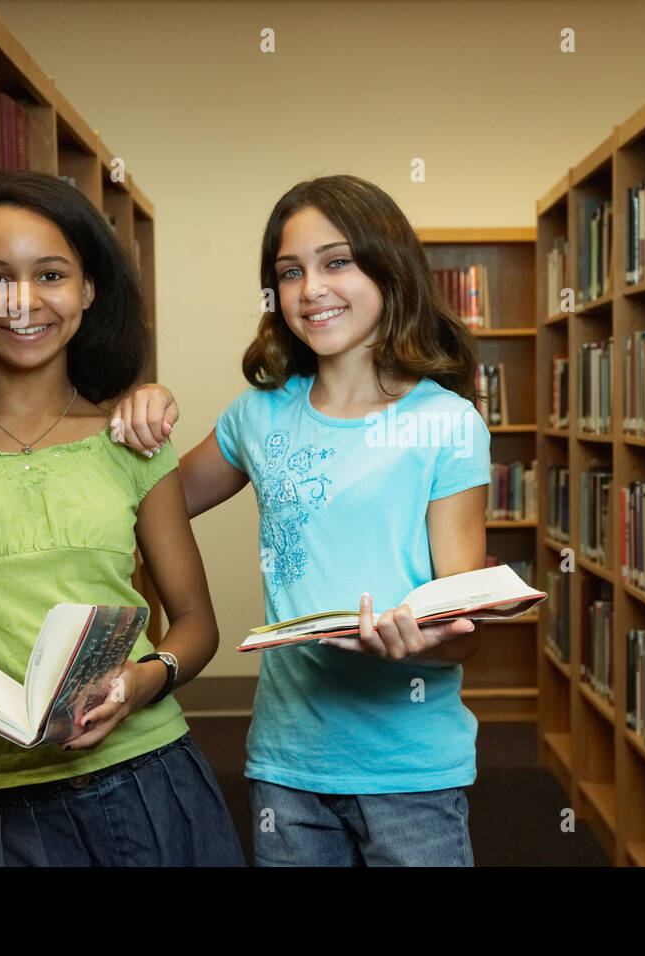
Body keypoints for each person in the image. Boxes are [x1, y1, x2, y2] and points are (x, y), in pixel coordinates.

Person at [111, 174, 490, 866]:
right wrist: (143, 403)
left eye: (337, 261)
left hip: (412, 772)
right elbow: (146, 501)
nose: (312, 288)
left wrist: (419, 641)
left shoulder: (447, 423)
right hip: (287, 767)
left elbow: (463, 626)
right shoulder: (258, 415)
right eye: (291, 272)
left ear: (390, 268)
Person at [0, 170, 244, 866]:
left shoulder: (134, 439)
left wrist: (147, 679)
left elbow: (197, 622)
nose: (23, 301)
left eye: (51, 273)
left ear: (88, 289)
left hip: (147, 778)